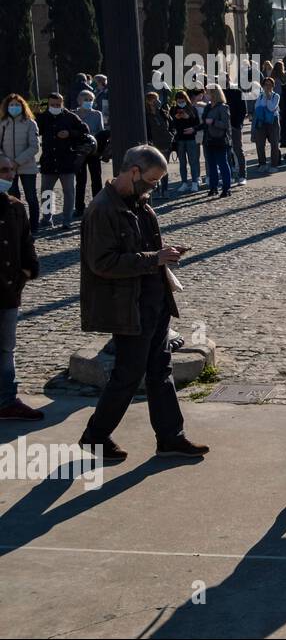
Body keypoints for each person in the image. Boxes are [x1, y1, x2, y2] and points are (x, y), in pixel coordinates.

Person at [77, 145, 207, 462]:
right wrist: (156, 257)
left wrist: (165, 252)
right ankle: (95, 436)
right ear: (133, 171)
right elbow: (102, 263)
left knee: (160, 371)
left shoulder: (139, 203)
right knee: (128, 374)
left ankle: (170, 437)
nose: (154, 186)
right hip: (129, 306)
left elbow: (144, 248)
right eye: (151, 179)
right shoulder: (102, 209)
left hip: (152, 301)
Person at [0, 156, 39, 420]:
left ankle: (6, 400)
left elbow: (26, 243)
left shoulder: (15, 206)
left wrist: (26, 272)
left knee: (6, 348)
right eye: (4, 170)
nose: (10, 175)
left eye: (12, 170)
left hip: (9, 291)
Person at [35, 93, 90, 231]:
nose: (55, 107)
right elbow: (36, 131)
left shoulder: (70, 116)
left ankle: (67, 220)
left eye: (58, 105)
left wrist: (70, 133)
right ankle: (47, 219)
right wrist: (36, 115)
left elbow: (84, 130)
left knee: (69, 192)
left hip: (67, 161)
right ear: (48, 104)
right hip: (49, 161)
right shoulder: (44, 117)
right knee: (47, 192)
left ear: (62, 103)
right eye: (52, 105)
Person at [0, 94, 40, 229]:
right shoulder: (2, 123)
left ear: (23, 106)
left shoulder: (30, 123)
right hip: (7, 169)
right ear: (7, 107)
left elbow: (34, 146)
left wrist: (17, 162)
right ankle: (16, 225)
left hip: (27, 167)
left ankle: (34, 225)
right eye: (11, 105)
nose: (14, 107)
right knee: (12, 198)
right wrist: (7, 162)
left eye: (17, 104)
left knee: (31, 197)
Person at [73, 89, 106, 216]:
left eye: (90, 100)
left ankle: (98, 204)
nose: (88, 102)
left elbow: (101, 131)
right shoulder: (74, 114)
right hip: (80, 151)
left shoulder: (97, 114)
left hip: (94, 151)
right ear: (79, 100)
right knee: (80, 181)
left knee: (96, 179)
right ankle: (79, 207)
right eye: (85, 99)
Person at [169, 91, 201, 193]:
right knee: (182, 163)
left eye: (182, 100)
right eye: (179, 101)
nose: (180, 102)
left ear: (186, 99)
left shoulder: (192, 108)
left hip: (191, 138)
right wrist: (176, 118)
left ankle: (195, 182)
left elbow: (197, 124)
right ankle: (184, 183)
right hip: (180, 139)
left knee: (193, 162)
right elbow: (171, 125)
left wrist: (188, 118)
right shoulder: (173, 109)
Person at [203, 87, 233, 198]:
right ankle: (213, 187)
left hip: (220, 140)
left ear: (214, 94)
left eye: (207, 93)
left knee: (223, 164)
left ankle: (226, 188)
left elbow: (225, 124)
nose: (205, 94)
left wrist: (213, 122)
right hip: (208, 139)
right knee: (211, 166)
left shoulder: (223, 107)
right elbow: (204, 122)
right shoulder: (207, 107)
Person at [143, 92, 173, 199]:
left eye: (158, 99)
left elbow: (171, 125)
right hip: (153, 144)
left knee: (164, 168)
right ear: (148, 101)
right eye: (154, 99)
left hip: (165, 143)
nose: (157, 102)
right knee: (153, 168)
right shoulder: (145, 115)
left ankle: (165, 189)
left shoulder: (163, 113)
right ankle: (155, 190)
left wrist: (171, 135)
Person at [251, 77, 282, 171]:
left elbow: (272, 108)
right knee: (260, 144)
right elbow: (257, 107)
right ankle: (262, 164)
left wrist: (268, 98)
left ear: (273, 86)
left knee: (274, 144)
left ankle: (274, 165)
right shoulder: (260, 96)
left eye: (270, 84)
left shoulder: (275, 96)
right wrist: (264, 100)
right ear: (263, 86)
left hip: (273, 122)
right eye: (265, 85)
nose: (267, 86)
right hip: (261, 121)